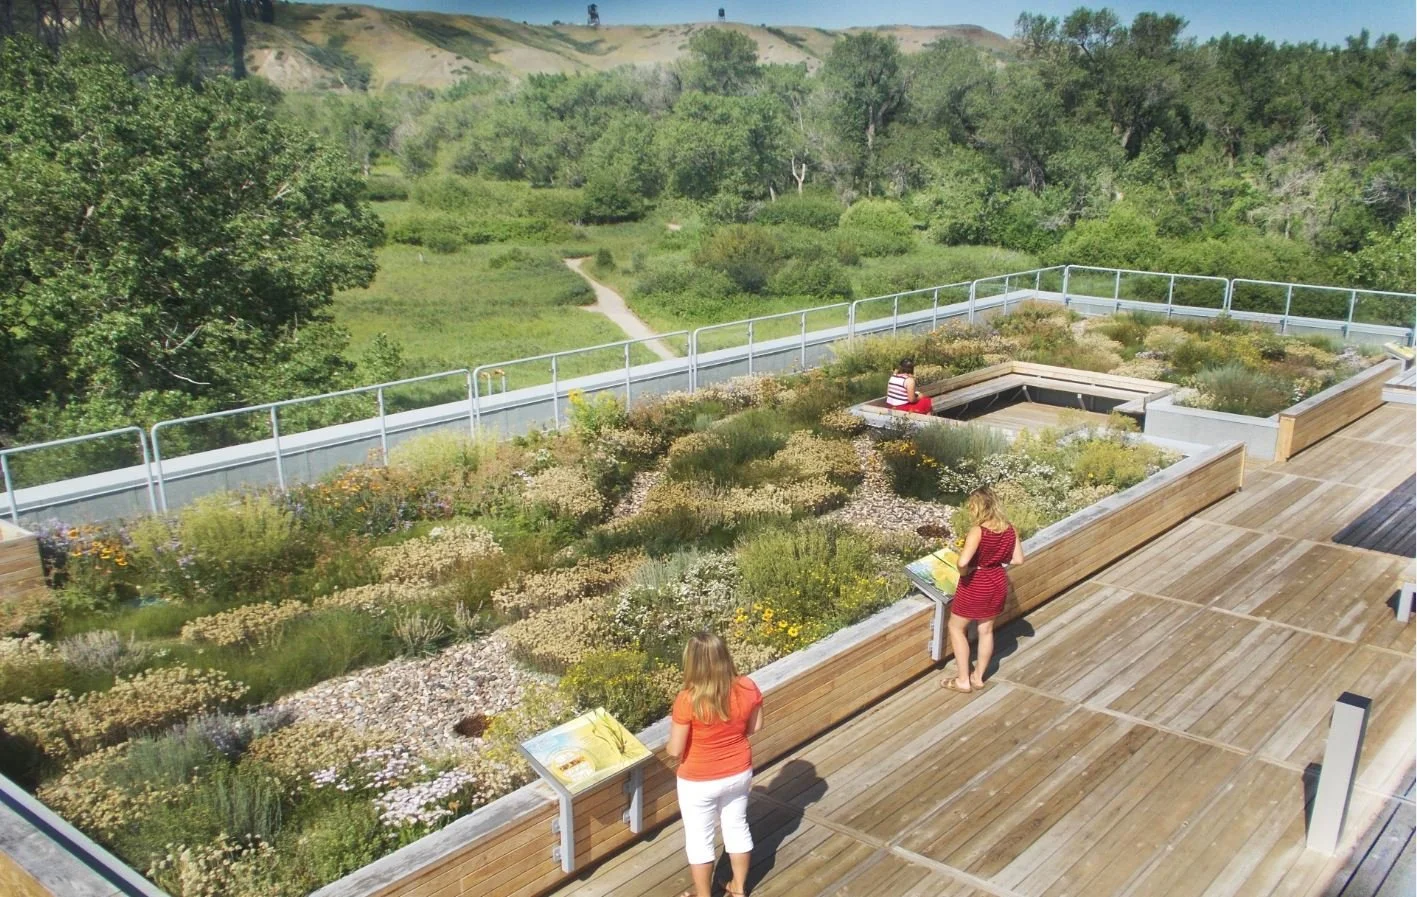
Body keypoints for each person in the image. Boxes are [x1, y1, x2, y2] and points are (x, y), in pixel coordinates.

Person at [668, 631, 764, 897]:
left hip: (698, 779)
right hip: (738, 771)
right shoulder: (747, 686)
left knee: (700, 838)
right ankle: (739, 888)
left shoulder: (688, 698)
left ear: (692, 663)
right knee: (737, 826)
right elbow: (756, 726)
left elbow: (675, 750)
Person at [943, 487, 1024, 693]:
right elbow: (1018, 559)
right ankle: (978, 677)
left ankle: (962, 679)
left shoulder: (978, 531)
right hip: (997, 582)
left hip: (976, 583)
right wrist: (996, 562)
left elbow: (963, 562)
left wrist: (965, 571)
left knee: (956, 627)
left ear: (978, 508)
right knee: (986, 630)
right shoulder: (1010, 529)